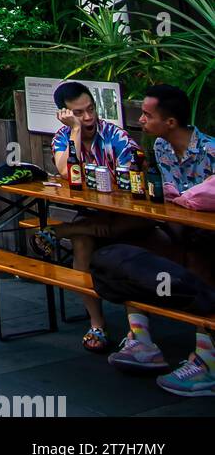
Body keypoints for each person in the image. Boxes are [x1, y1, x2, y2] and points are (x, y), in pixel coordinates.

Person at [106, 84, 215, 396]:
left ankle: (207, 360)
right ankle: (141, 341)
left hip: (207, 239)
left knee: (198, 258)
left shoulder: (210, 151)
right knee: (134, 250)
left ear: (170, 122)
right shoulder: (161, 147)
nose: (141, 119)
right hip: (178, 230)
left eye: (147, 114)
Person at [45, 80, 147, 353]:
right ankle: (97, 323)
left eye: (91, 109)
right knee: (82, 244)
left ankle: (137, 332)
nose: (88, 117)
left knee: (123, 248)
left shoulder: (116, 136)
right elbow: (66, 171)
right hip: (92, 215)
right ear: (64, 114)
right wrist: (75, 130)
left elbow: (130, 184)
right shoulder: (63, 138)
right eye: (79, 113)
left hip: (127, 215)